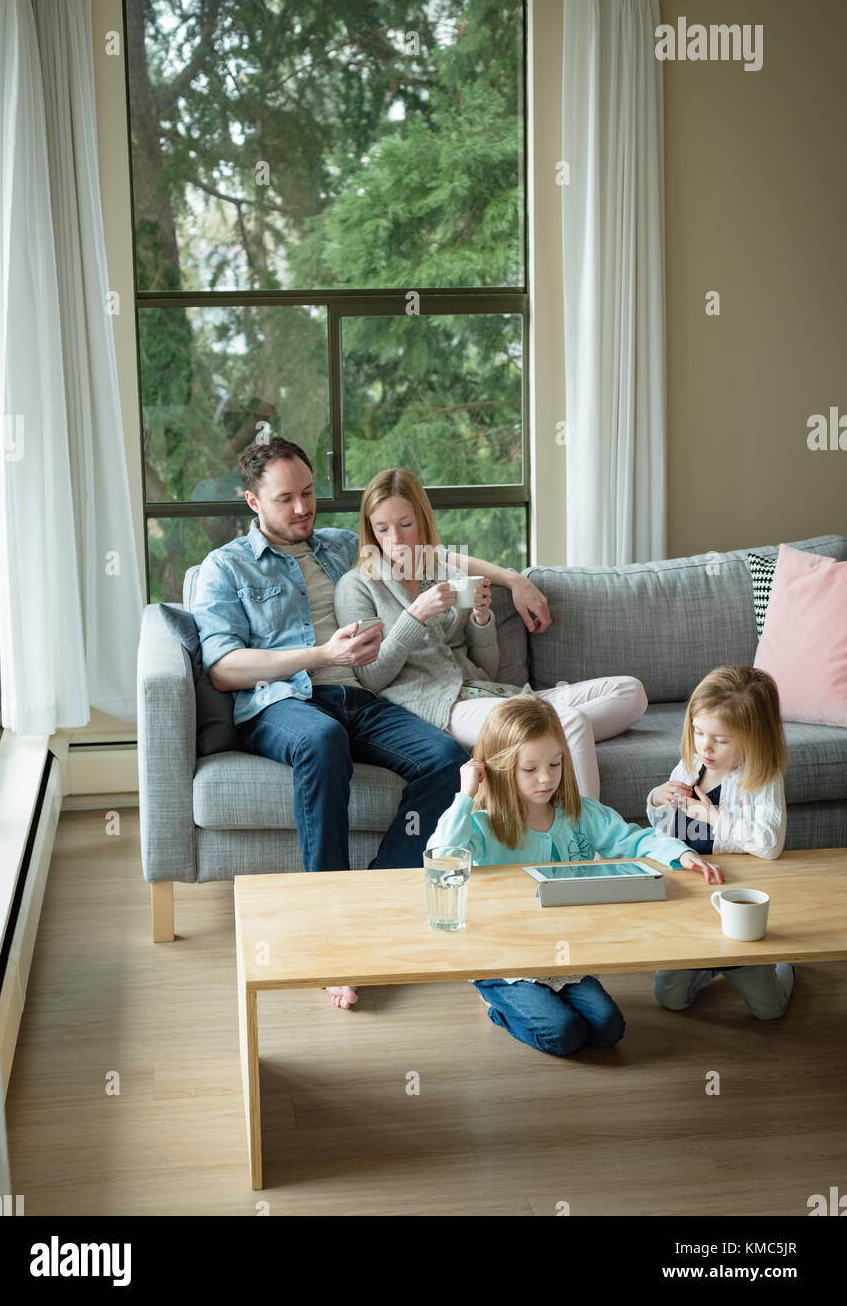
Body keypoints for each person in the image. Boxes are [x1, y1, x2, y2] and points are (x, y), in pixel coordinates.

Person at [190, 436, 553, 1010]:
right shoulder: (224, 567)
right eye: (286, 499)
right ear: (253, 502)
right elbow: (224, 669)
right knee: (322, 740)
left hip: (358, 698)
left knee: (448, 761)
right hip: (282, 703)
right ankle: (330, 936)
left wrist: (513, 579)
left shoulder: (339, 546)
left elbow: (438, 557)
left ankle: (378, 898)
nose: (304, 509)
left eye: (308, 493)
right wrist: (320, 655)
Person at [425, 696, 723, 1057]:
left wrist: (682, 853)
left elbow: (634, 839)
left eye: (554, 764)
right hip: (505, 957)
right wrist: (465, 795)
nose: (547, 778)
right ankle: (494, 1000)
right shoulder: (482, 826)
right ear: (502, 768)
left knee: (608, 1029)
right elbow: (442, 857)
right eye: (530, 769)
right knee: (563, 1034)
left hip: (563, 954)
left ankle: (539, 1001)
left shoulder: (580, 814)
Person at [333, 467, 649, 799]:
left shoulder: (442, 572)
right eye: (381, 528)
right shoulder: (357, 585)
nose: (394, 540)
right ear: (369, 529)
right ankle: (586, 844)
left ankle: (526, 744)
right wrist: (416, 614)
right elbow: (371, 677)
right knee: (570, 722)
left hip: (490, 694)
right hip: (444, 709)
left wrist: (482, 620)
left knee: (630, 693)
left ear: (422, 521)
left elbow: (487, 668)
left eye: (405, 524)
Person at [647, 665, 795, 1020]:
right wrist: (656, 798)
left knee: (769, 1011)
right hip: (691, 903)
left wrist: (712, 815)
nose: (705, 747)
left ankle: (784, 965)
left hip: (737, 903)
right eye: (698, 732)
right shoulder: (689, 765)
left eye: (721, 739)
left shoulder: (762, 778)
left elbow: (769, 843)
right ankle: (713, 963)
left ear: (754, 738)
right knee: (669, 998)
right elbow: (662, 829)